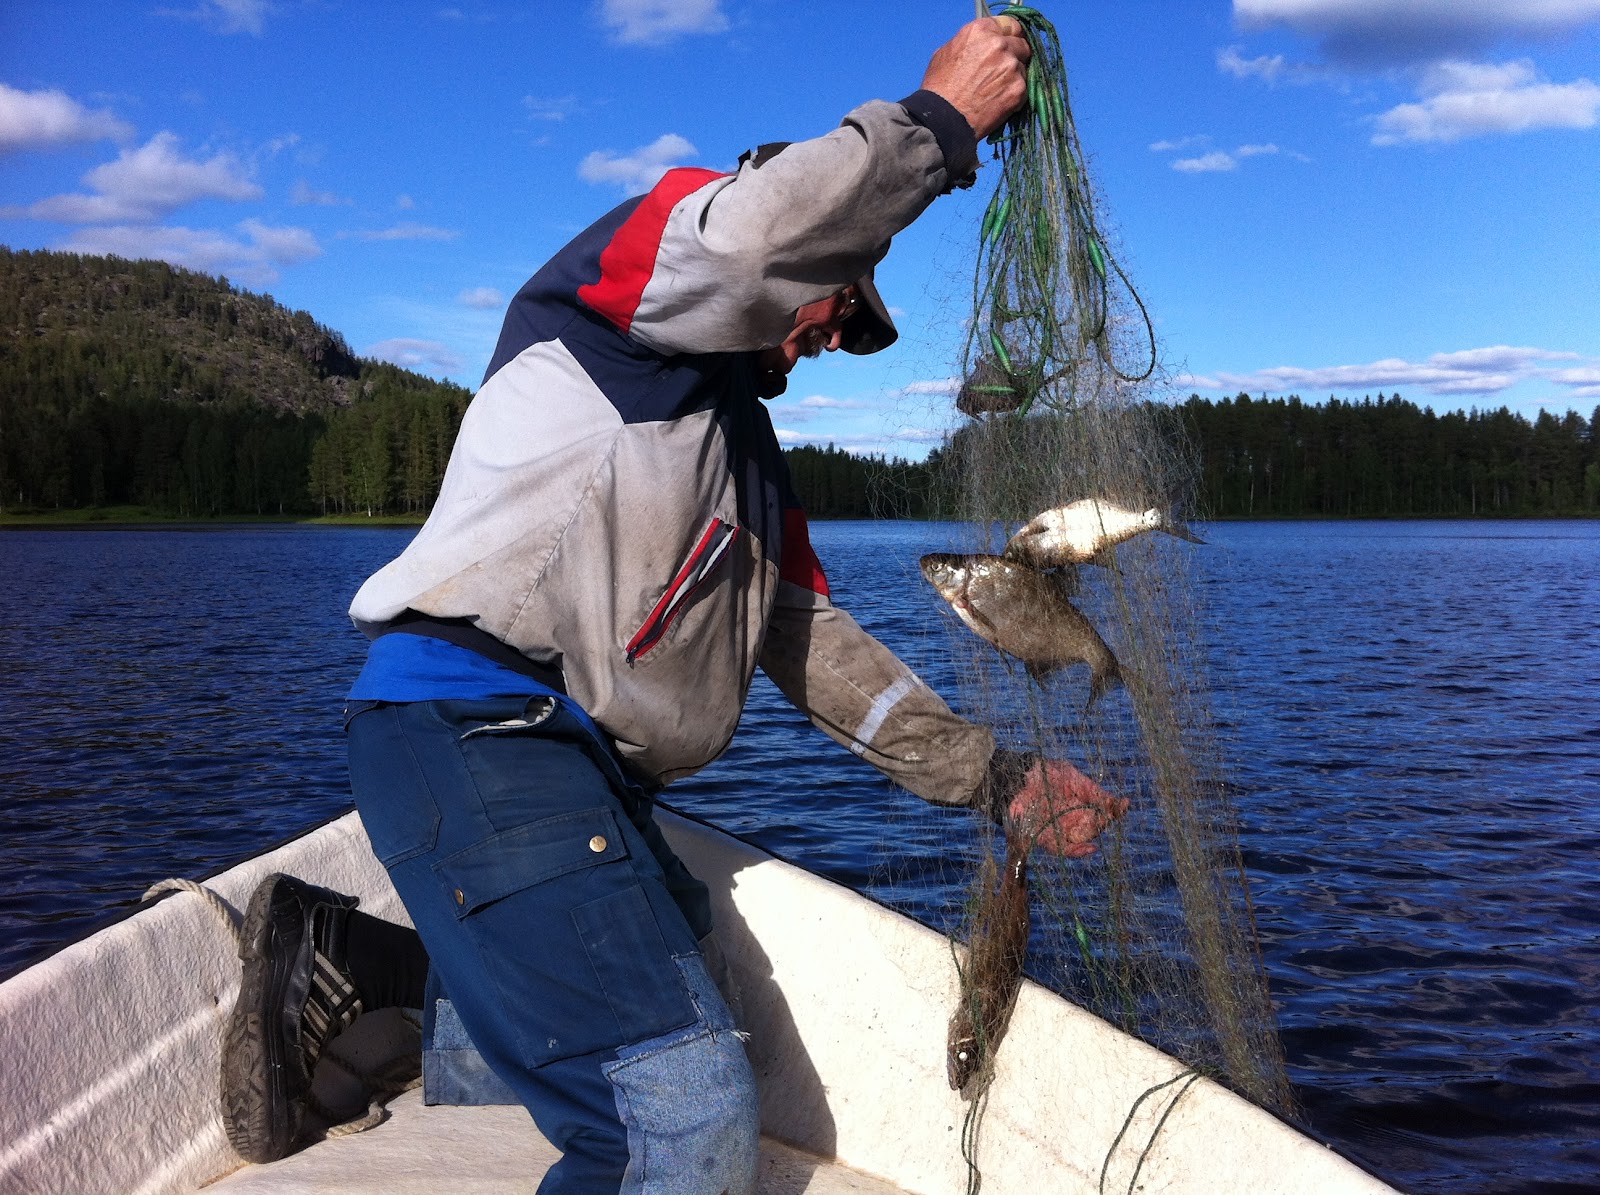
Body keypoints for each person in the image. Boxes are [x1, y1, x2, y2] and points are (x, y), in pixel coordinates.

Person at [222, 15, 1128, 1193]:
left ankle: (361, 971)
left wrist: (995, 777)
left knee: (686, 998)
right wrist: (938, 126)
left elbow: (816, 652)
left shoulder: (743, 462)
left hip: (576, 771)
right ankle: (402, 987)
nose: (822, 339)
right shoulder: (630, 295)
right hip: (477, 732)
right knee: (684, 1119)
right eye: (833, 301)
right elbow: (754, 250)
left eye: (845, 330)